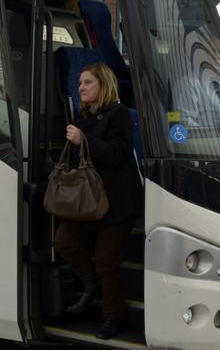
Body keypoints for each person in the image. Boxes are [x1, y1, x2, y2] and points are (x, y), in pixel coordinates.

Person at [54, 62, 142, 340]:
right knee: (64, 241)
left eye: (88, 82)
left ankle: (113, 316)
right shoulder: (83, 116)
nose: (81, 88)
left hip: (116, 203)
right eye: (79, 83)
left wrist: (84, 140)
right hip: (87, 201)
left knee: (107, 261)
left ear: (103, 85)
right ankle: (90, 283)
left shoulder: (119, 115)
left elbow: (117, 154)